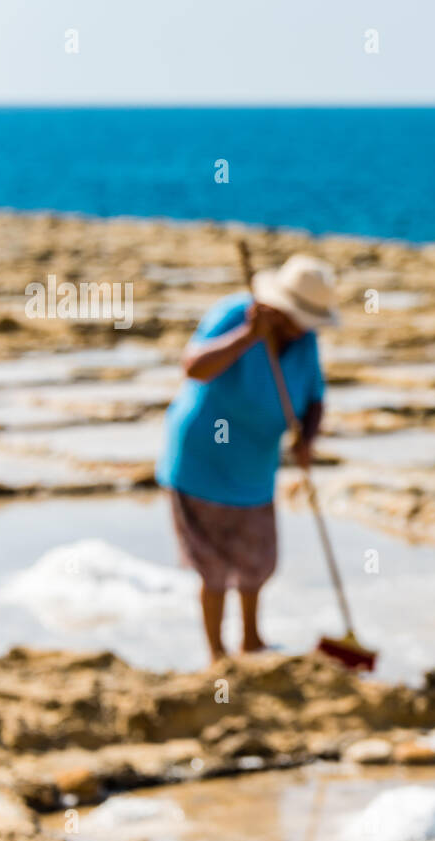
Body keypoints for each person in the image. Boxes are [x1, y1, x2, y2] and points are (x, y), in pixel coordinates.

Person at [156, 255, 338, 663]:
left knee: (257, 561)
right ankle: (217, 655)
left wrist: (307, 440)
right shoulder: (236, 315)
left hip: (255, 467)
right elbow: (195, 367)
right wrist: (248, 336)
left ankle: (252, 640)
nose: (301, 328)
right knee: (213, 568)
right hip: (202, 461)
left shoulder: (304, 342)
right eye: (297, 318)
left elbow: (315, 398)